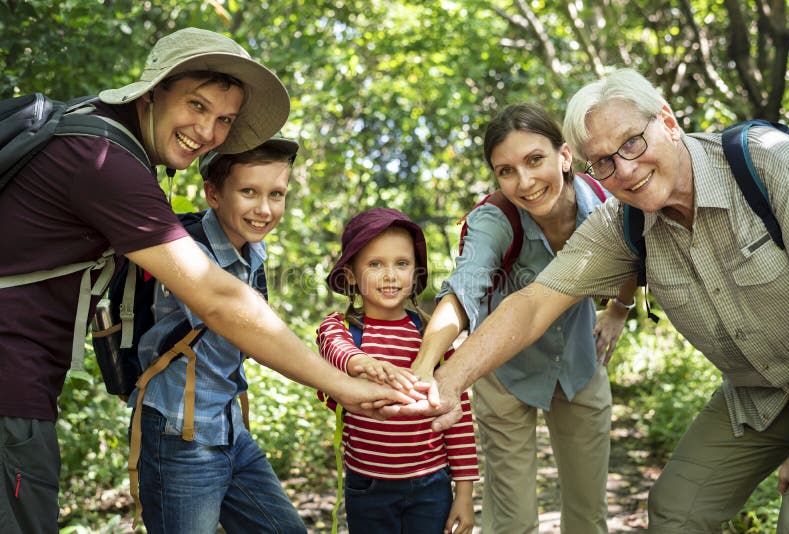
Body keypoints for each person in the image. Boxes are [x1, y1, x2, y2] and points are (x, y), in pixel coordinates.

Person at [0, 27, 410, 534]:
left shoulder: (98, 138)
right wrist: (342, 385)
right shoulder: (104, 163)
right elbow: (217, 298)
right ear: (152, 92)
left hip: (39, 387)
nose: (209, 132)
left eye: (224, 120)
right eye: (196, 105)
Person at [392, 68, 789, 533]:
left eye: (632, 143)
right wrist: (442, 378)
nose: (624, 169)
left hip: (582, 366)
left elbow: (619, 279)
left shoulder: (769, 164)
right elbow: (527, 303)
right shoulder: (615, 222)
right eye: (604, 161)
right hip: (753, 393)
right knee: (671, 510)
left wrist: (618, 312)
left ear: (666, 120)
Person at [412, 103, 635, 534]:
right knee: (510, 520)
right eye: (506, 170)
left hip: (578, 363)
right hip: (503, 373)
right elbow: (464, 289)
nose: (525, 181)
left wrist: (618, 311)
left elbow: (631, 254)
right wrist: (427, 363)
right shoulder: (494, 219)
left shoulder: (609, 206)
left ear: (564, 156)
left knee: (588, 516)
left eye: (535, 160)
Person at [130, 137, 305, 533]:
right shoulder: (187, 253)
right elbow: (244, 325)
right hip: (179, 435)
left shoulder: (251, 253)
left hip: (229, 429)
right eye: (248, 192)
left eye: (276, 194)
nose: (264, 209)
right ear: (213, 194)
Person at [316, 207, 479, 534]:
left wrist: (464, 492)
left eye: (401, 264)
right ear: (350, 275)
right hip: (368, 485)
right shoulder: (345, 329)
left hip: (431, 484)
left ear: (416, 273)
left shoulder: (431, 334)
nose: (390, 275)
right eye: (375, 264)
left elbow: (456, 414)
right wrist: (363, 363)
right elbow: (331, 346)